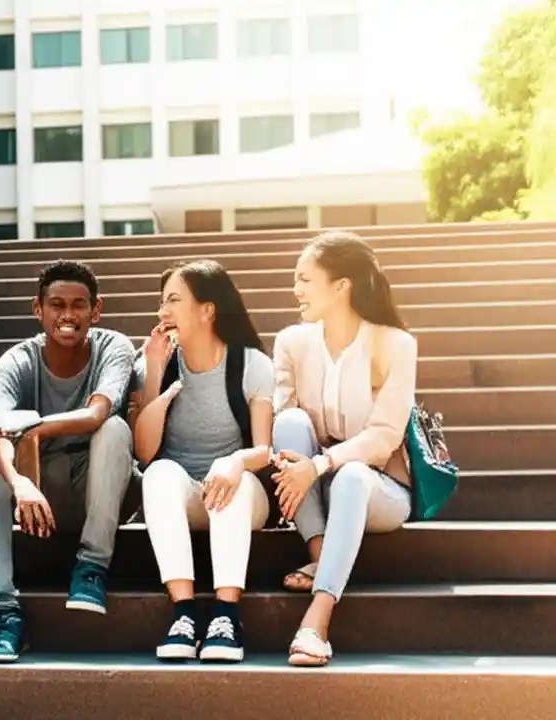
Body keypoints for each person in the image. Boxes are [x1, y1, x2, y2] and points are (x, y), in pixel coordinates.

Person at [0, 260, 136, 664]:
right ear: (38, 309)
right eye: (57, 304)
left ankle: (92, 567)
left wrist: (34, 429)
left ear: (95, 311)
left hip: (96, 487)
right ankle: (2, 609)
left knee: (115, 429)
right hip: (37, 489)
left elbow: (97, 414)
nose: (68, 315)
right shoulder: (18, 360)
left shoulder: (113, 347)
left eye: (79, 305)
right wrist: (21, 484)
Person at [271, 231, 416, 667]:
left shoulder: (394, 344)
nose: (295, 290)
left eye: (305, 279)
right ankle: (320, 552)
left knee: (353, 475)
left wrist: (321, 463)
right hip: (313, 489)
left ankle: (317, 620)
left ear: (341, 286)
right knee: (291, 423)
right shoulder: (292, 342)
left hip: (379, 490)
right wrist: (311, 465)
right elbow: (284, 422)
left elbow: (384, 437)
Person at [131, 260, 274, 663]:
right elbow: (143, 451)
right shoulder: (154, 365)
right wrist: (156, 370)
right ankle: (184, 613)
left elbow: (263, 452)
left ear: (207, 309)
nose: (164, 311)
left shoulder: (250, 364)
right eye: (162, 302)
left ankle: (227, 615)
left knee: (233, 482)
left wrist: (233, 462)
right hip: (186, 496)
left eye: (174, 300)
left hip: (242, 493)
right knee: (157, 472)